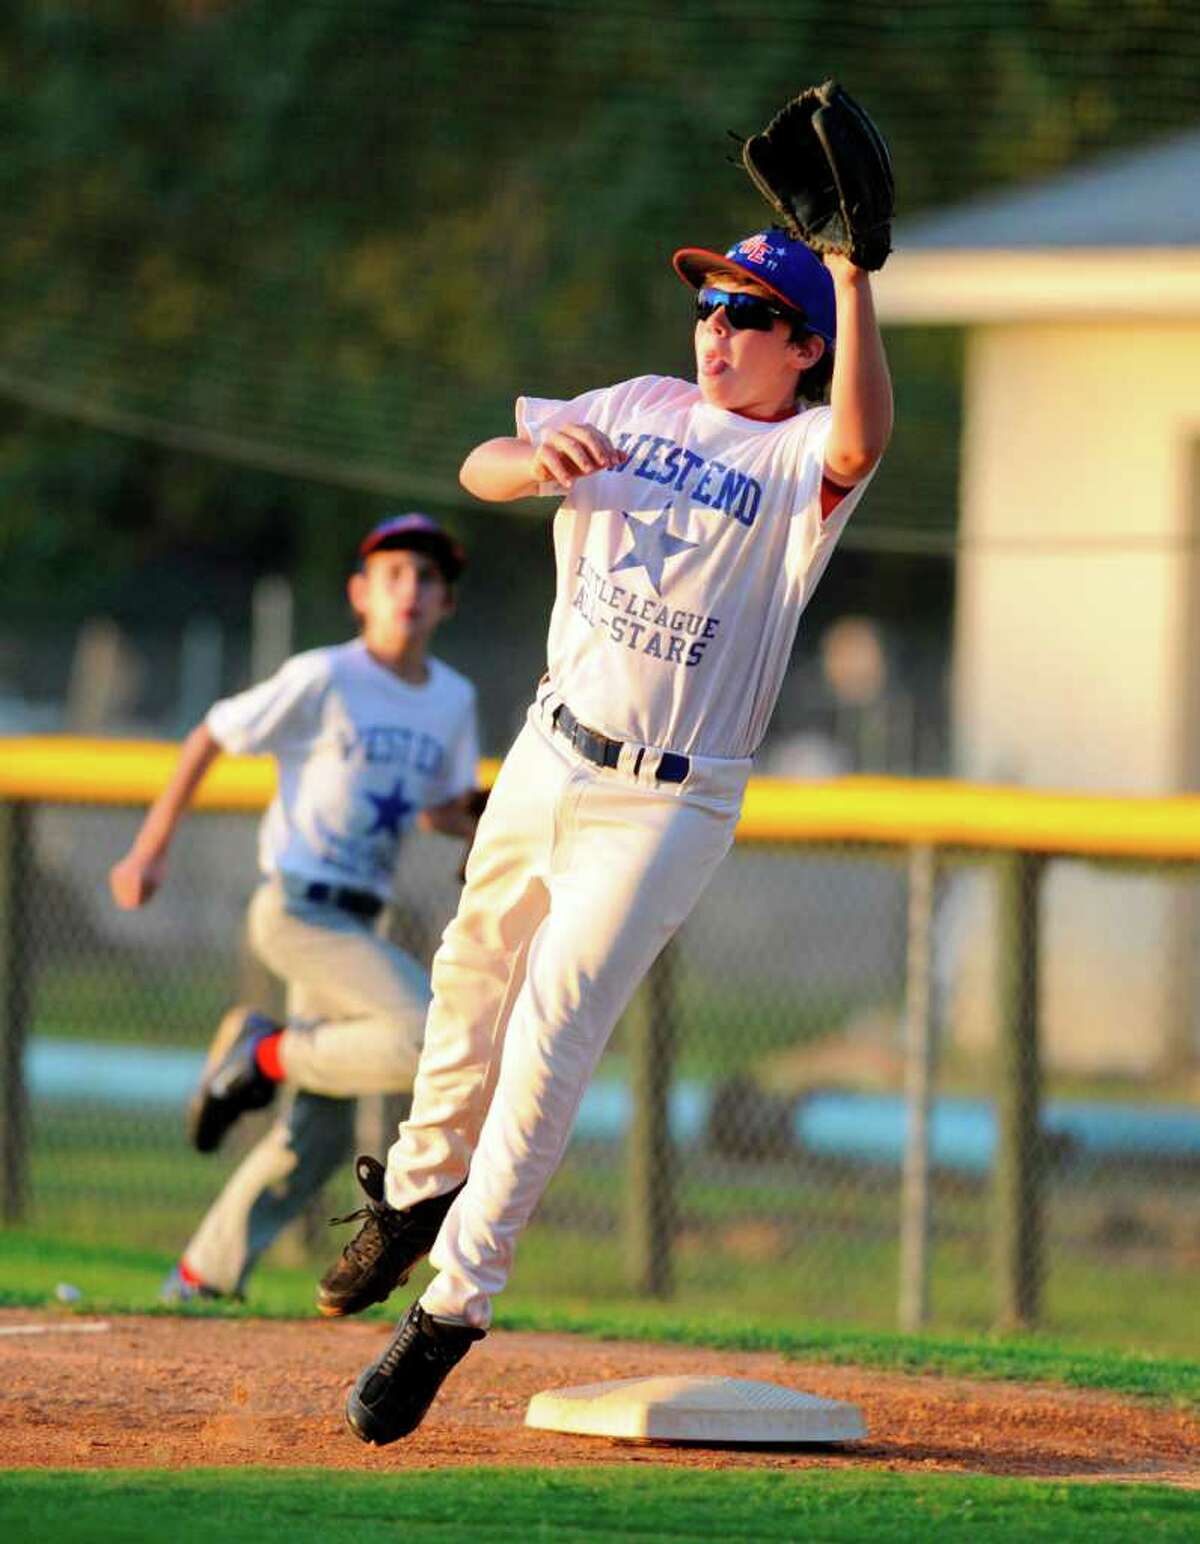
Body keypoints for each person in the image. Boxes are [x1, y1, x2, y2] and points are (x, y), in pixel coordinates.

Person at [319, 227, 893, 1445]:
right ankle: (421, 1188)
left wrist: (851, 278)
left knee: (550, 1028)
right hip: (550, 743)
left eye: (746, 313)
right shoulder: (639, 403)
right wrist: (530, 459)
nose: (716, 329)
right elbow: (479, 465)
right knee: (471, 968)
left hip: (668, 800)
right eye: (709, 306)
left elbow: (861, 439)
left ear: (803, 347)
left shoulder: (799, 455)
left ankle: (454, 1305)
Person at [109, 513, 482, 1303]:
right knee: (426, 1036)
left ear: (447, 603)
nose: (409, 590)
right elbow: (209, 733)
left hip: (362, 921)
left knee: (317, 1133)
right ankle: (266, 1049)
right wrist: (149, 849)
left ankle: (199, 1277)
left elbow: (437, 809)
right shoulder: (326, 676)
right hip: (298, 910)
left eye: (427, 578)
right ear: (359, 594)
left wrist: (490, 816)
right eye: (392, 575)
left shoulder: (452, 699)